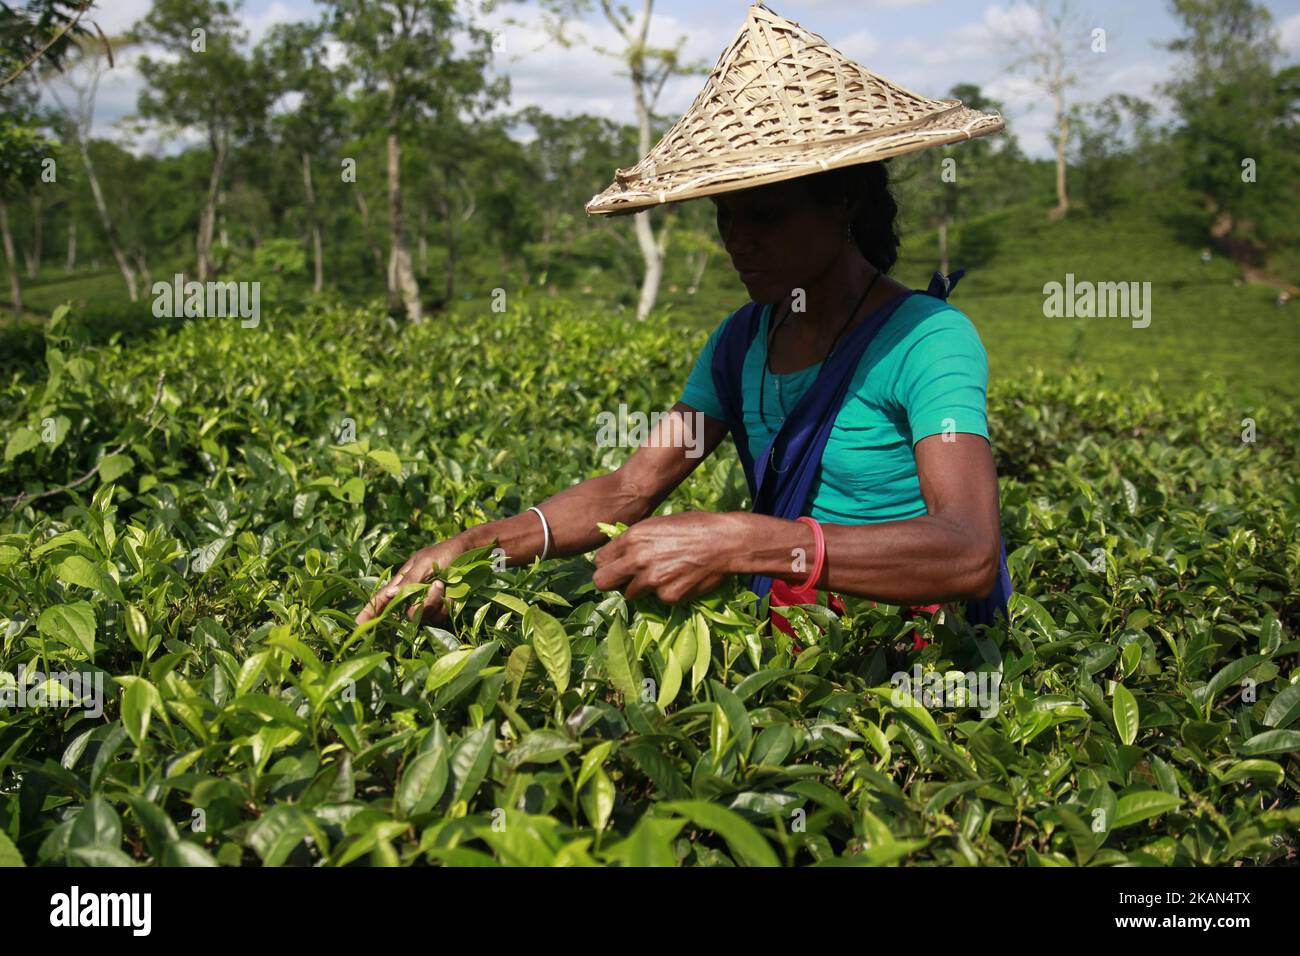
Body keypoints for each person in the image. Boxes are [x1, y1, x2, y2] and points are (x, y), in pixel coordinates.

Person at [357, 2, 1010, 633]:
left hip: (907, 667)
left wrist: (740, 540)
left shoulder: (926, 340)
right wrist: (477, 547)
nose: (739, 241)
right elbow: (629, 490)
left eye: (766, 215)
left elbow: (967, 549)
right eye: (725, 214)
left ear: (842, 200)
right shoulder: (741, 345)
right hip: (789, 663)